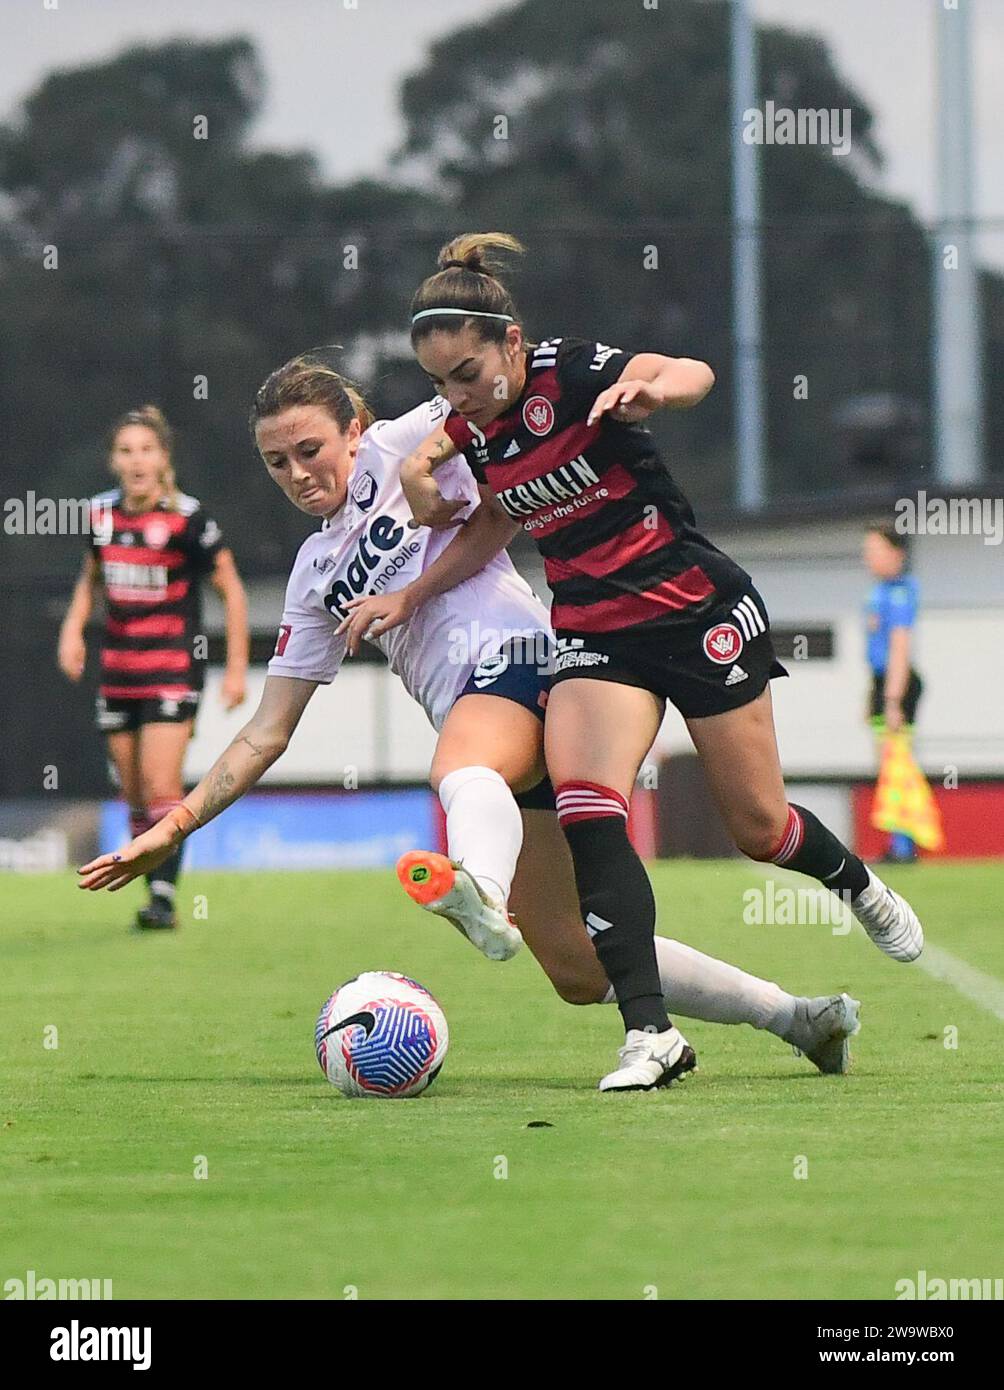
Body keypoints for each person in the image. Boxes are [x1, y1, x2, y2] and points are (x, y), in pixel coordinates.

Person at [78, 356, 861, 1082]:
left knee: (458, 767)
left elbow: (489, 390)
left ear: (353, 430)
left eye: (310, 449)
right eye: (276, 463)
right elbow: (266, 732)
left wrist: (530, 348)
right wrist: (173, 827)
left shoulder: (403, 443)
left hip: (533, 664)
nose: (297, 473)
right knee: (579, 968)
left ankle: (479, 886)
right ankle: (797, 1018)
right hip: (492, 733)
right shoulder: (315, 576)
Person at [400, 232, 923, 1092]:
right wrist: (413, 584)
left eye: (467, 373)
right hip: (597, 635)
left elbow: (693, 371)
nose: (458, 396)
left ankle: (857, 883)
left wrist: (655, 389)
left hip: (693, 612)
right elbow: (494, 521)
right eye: (440, 384)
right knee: (586, 806)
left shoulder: (569, 372)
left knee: (760, 827)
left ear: (511, 344)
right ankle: (651, 1036)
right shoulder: (472, 432)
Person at [58, 405, 249, 930]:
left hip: (173, 668)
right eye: (126, 451)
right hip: (118, 669)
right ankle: (156, 887)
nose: (136, 460)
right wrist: (73, 629)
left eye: (146, 449)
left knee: (161, 783)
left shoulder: (191, 519)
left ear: (163, 457)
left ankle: (162, 897)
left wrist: (235, 668)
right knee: (135, 792)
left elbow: (230, 591)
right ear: (113, 461)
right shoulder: (100, 515)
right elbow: (90, 579)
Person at [863, 526, 924, 863]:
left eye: (874, 549)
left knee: (898, 766)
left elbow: (900, 648)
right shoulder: (880, 591)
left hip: (896, 685)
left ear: (896, 553)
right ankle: (898, 843)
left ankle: (904, 847)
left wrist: (892, 700)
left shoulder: (899, 594)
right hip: (882, 683)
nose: (868, 557)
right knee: (889, 767)